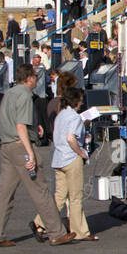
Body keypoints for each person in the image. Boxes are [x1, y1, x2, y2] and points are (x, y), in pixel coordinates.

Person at [0, 64, 77, 248]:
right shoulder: (25, 95)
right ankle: (56, 232)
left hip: (7, 145)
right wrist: (30, 153)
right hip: (21, 146)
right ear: (28, 78)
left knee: (5, 193)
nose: (37, 79)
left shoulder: (10, 93)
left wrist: (33, 128)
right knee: (39, 190)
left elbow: (11, 121)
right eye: (35, 76)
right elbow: (20, 126)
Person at [32, 87, 95, 241]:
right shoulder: (74, 117)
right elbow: (70, 138)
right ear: (77, 101)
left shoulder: (61, 115)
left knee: (59, 196)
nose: (81, 103)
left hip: (58, 158)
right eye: (80, 100)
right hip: (71, 158)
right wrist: (81, 153)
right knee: (75, 197)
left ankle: (40, 222)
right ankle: (80, 232)